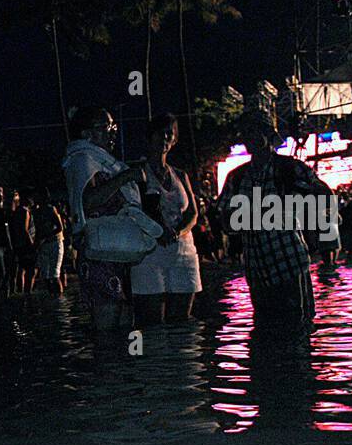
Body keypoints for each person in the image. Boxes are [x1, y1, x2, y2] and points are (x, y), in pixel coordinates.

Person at [218, 113, 328, 336]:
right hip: (256, 266)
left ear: (269, 136)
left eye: (257, 134)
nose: (252, 140)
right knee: (266, 328)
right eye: (248, 135)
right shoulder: (237, 177)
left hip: (288, 260)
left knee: (298, 324)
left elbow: (324, 194)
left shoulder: (290, 168)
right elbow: (224, 220)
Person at [62, 105, 144, 330]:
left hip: (116, 252)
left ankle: (116, 363)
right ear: (87, 134)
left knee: (123, 319)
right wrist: (125, 177)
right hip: (100, 254)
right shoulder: (82, 159)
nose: (113, 132)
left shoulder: (101, 161)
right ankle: (106, 363)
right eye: (106, 127)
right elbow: (88, 201)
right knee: (107, 322)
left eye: (113, 126)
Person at [132, 113, 201, 324]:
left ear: (174, 140)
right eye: (159, 134)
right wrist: (159, 231)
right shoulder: (136, 173)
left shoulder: (180, 174)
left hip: (183, 251)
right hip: (149, 253)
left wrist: (178, 232)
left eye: (169, 134)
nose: (164, 138)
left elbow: (193, 213)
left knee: (182, 320)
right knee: (152, 322)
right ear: (148, 137)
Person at [35, 193, 65, 295]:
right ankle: (52, 295)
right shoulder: (37, 212)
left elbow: (60, 227)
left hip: (55, 243)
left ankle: (58, 298)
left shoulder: (51, 209)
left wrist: (46, 235)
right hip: (45, 244)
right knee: (46, 275)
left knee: (55, 274)